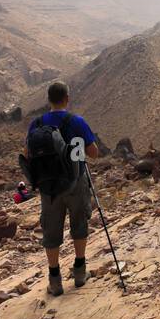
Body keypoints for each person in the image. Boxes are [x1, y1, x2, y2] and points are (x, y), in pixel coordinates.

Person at [25, 81, 99, 296]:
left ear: (49, 100)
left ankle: (55, 280)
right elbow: (93, 153)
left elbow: (28, 154)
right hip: (76, 183)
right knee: (79, 224)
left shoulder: (36, 124)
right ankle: (79, 272)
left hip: (49, 188)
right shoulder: (77, 121)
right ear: (67, 98)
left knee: (51, 231)